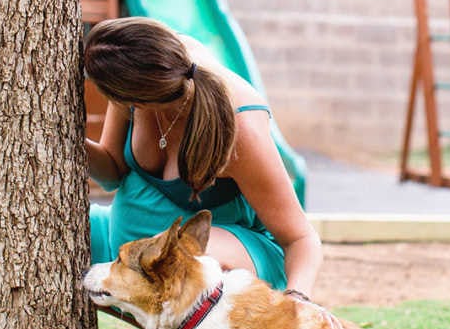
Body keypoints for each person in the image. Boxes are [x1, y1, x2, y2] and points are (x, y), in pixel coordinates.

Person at [84, 16, 322, 300]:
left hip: (211, 263)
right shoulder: (141, 71)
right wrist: (64, 139)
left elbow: (300, 238)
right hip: (130, 254)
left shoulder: (239, 128)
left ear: (137, 100)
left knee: (186, 265)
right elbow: (112, 172)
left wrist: (298, 298)